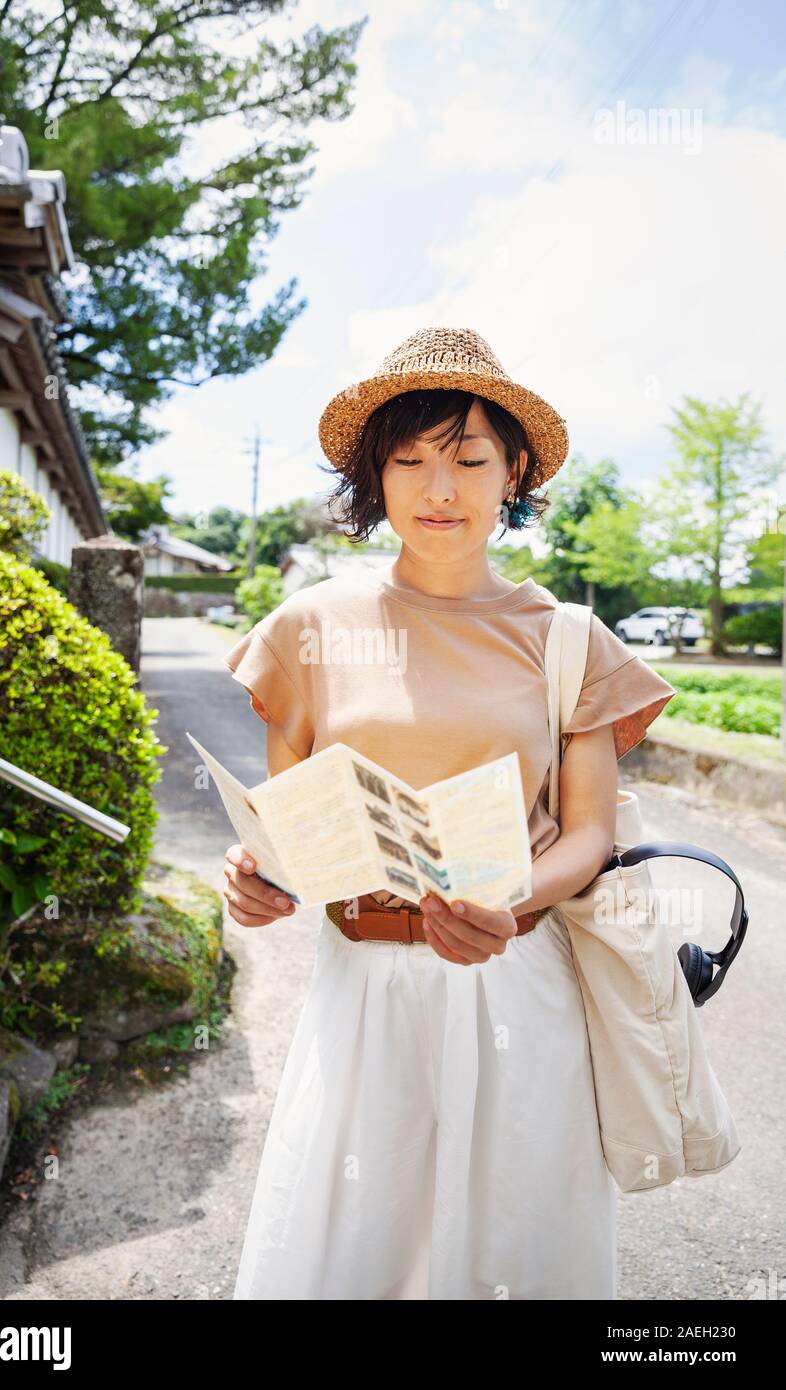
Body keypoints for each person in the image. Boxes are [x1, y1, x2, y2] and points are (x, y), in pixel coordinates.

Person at [220, 325, 677, 1300]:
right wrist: (256, 878)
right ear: (371, 478)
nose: (439, 489)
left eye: (468, 459)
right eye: (410, 460)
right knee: (350, 1252)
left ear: (511, 470)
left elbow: (590, 833)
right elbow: (291, 821)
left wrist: (507, 904)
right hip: (360, 991)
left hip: (517, 978)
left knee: (513, 1249)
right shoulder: (306, 630)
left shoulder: (566, 639)